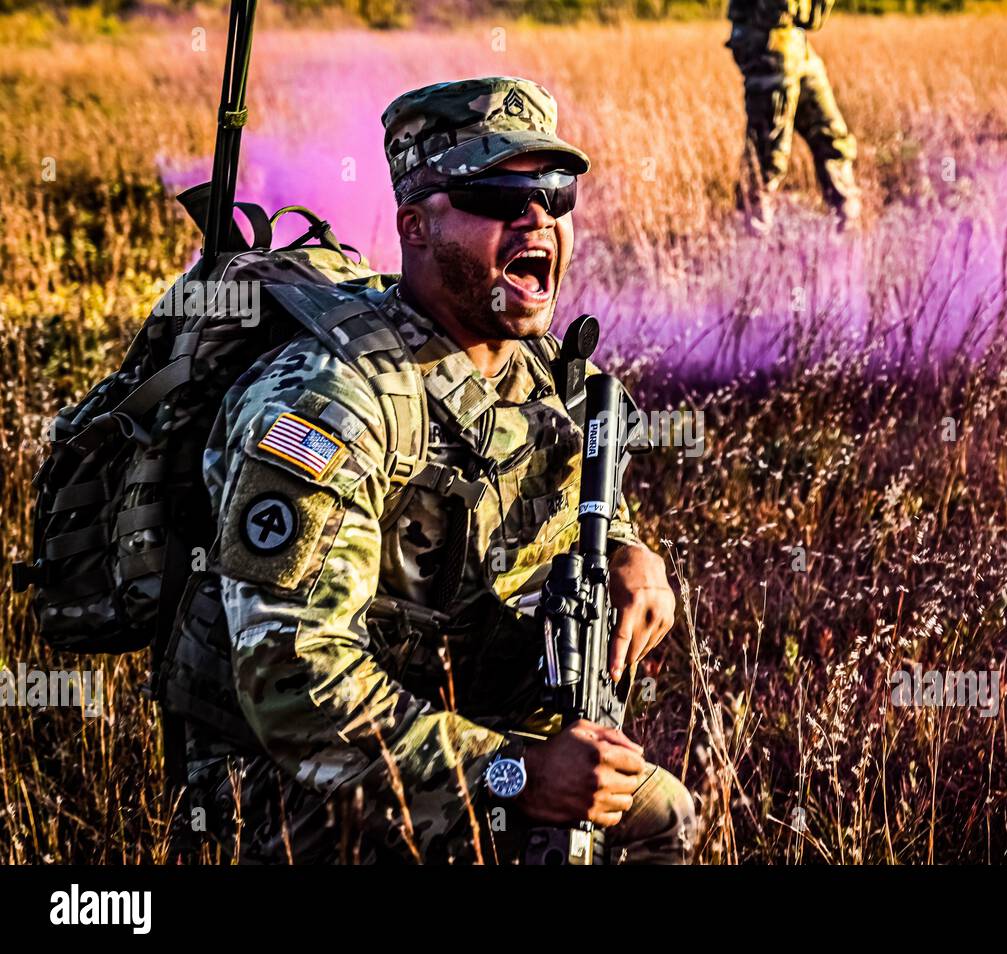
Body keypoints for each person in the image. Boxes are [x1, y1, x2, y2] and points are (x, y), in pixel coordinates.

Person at [172, 76, 696, 864]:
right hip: (295, 774)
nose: (536, 217)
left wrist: (629, 551)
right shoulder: (331, 401)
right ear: (415, 227)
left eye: (555, 194)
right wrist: (515, 774)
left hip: (459, 719)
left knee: (662, 816)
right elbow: (293, 681)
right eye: (495, 193)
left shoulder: (540, 376)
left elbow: (566, 511)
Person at [726, 0, 862, 231]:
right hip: (767, 40)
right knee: (767, 155)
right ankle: (750, 242)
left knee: (831, 136)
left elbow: (811, 19)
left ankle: (849, 228)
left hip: (793, 39)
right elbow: (789, 10)